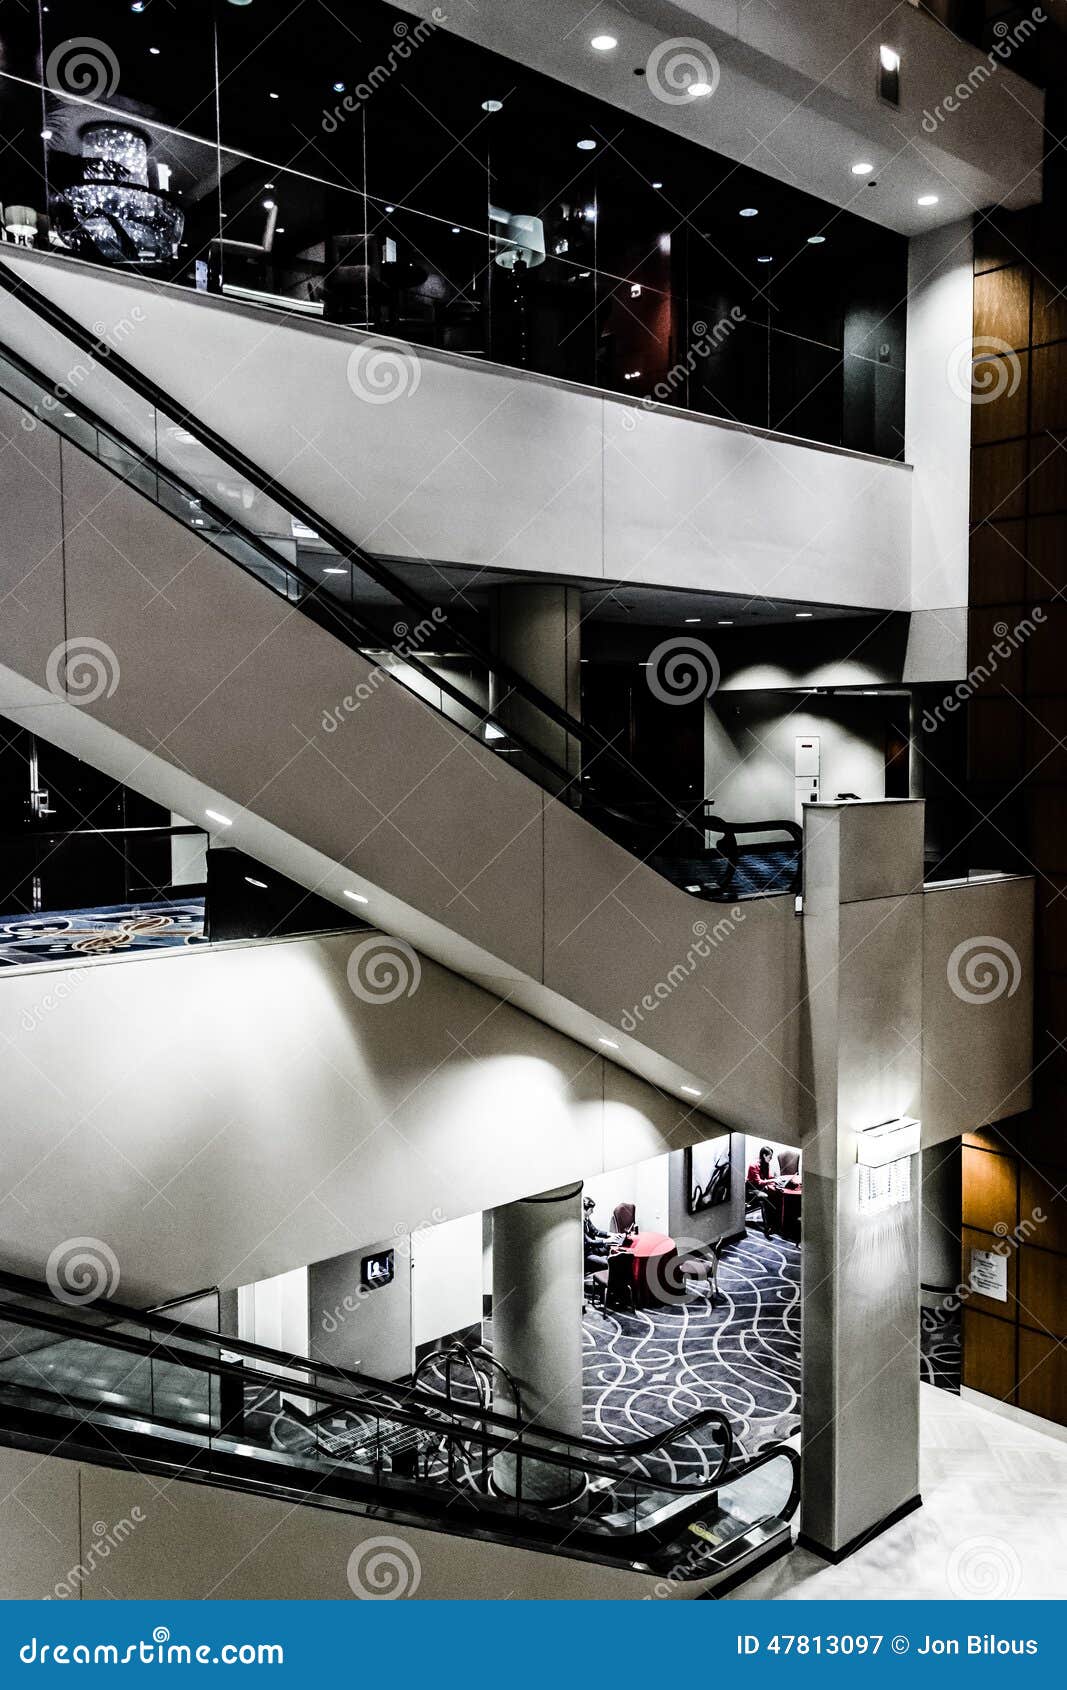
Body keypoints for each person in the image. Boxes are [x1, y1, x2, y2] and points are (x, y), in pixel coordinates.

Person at [583, 1196, 611, 1273]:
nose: (592, 1212)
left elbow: (596, 1231)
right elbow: (590, 1242)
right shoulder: (580, 1223)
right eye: (591, 1209)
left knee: (609, 1249)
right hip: (587, 1254)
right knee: (609, 1264)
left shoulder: (586, 1219)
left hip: (592, 1250)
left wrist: (612, 1235)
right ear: (584, 1210)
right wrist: (607, 1241)